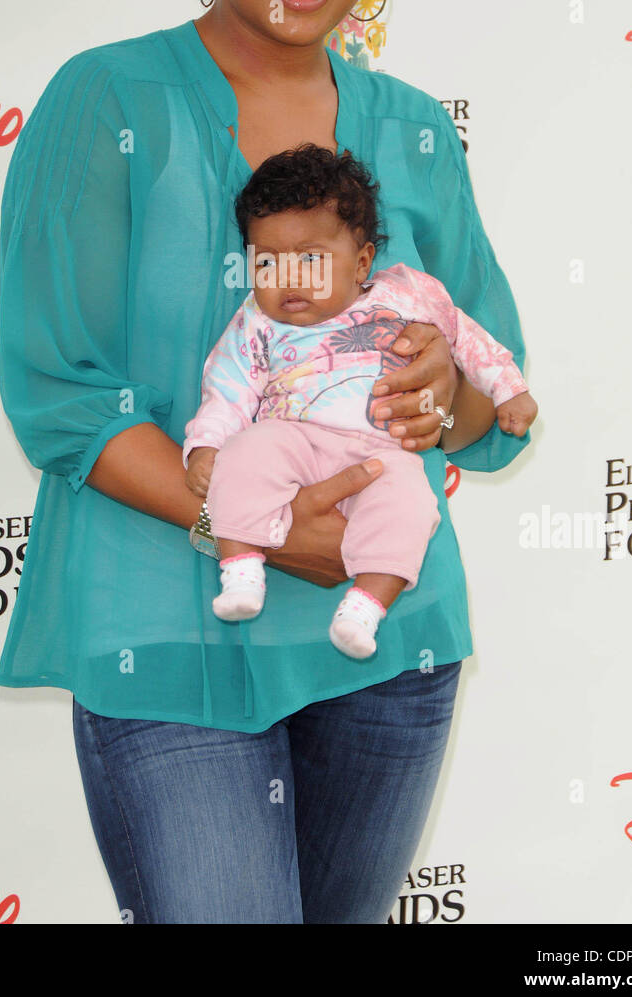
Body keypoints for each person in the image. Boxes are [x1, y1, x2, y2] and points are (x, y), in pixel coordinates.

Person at [0, 0, 534, 924]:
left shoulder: (416, 132)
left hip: (385, 647)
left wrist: (448, 402)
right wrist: (256, 527)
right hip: (165, 642)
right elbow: (59, 393)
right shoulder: (108, 104)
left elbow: (492, 407)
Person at [183, 144, 538, 659]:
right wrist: (206, 445)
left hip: (382, 453)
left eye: (311, 259)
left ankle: (366, 606)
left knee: (411, 505)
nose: (289, 278)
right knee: (248, 451)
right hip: (294, 440)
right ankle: (240, 570)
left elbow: (467, 337)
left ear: (362, 261)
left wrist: (510, 388)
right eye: (267, 261)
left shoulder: (406, 296)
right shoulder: (255, 323)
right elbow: (227, 389)